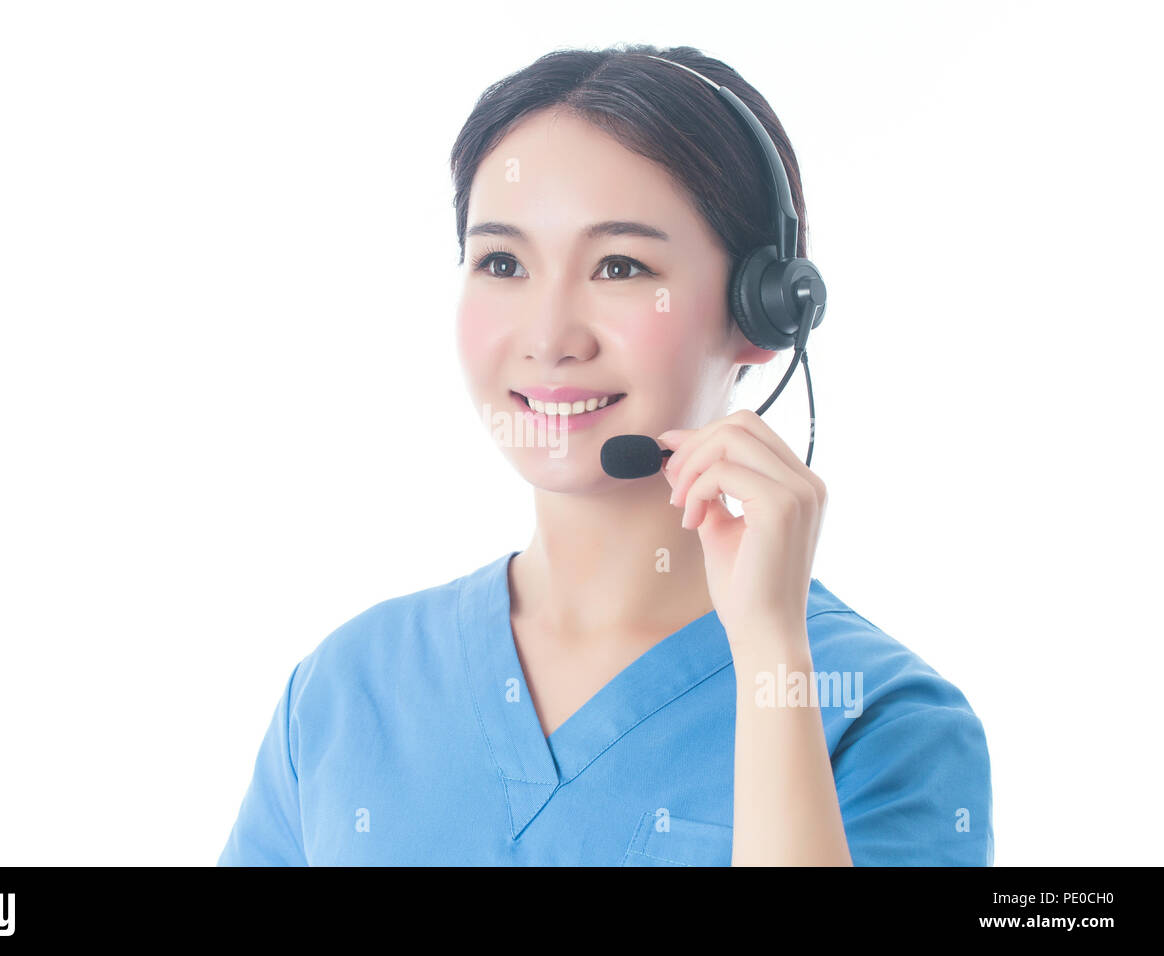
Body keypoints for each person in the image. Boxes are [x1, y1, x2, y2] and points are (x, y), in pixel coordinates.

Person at [217, 43, 993, 866]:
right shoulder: (346, 690)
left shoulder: (883, 722)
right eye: (503, 262)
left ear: (761, 315)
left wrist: (771, 657)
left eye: (620, 266)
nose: (549, 338)